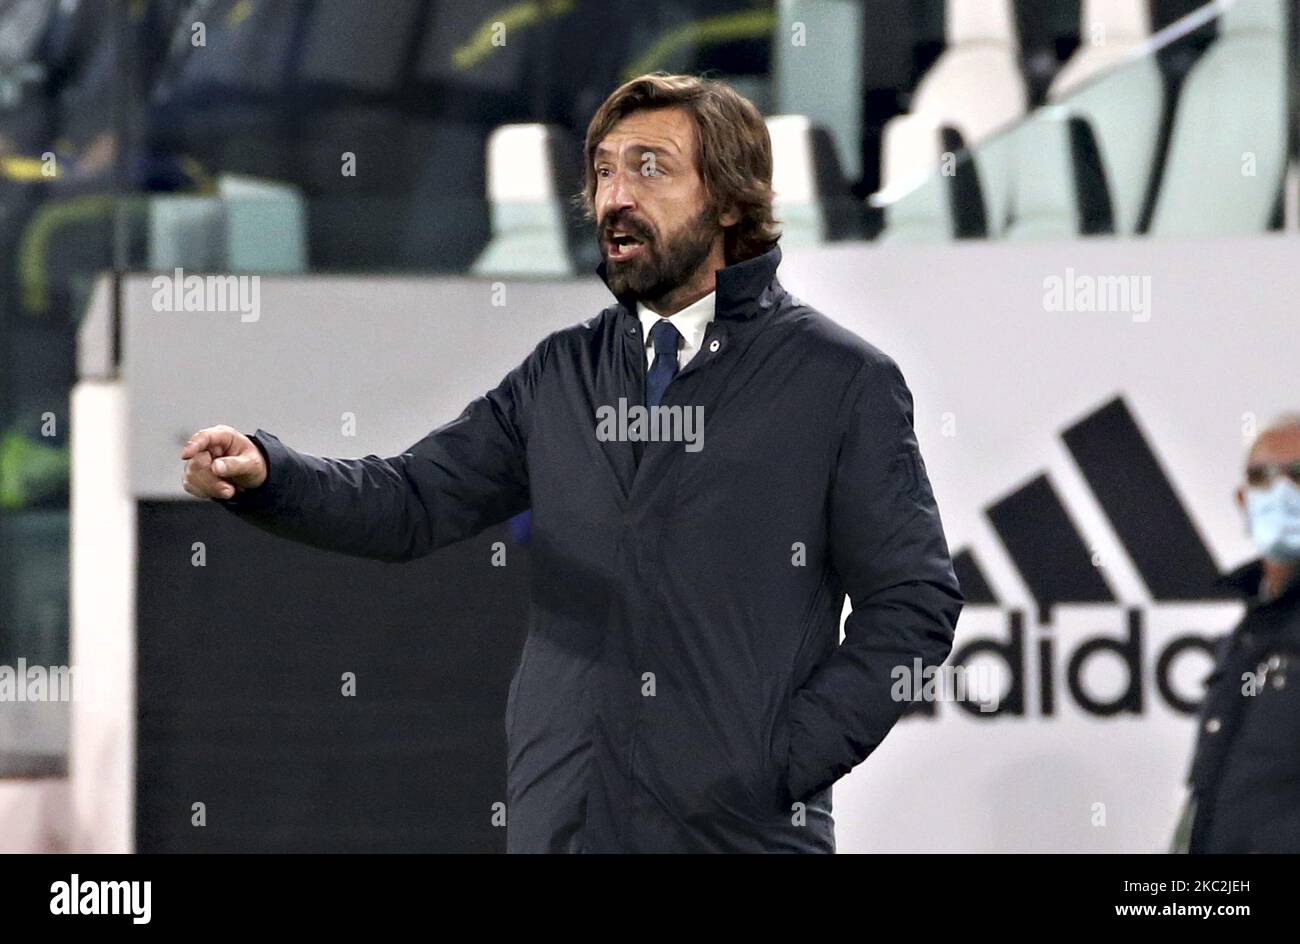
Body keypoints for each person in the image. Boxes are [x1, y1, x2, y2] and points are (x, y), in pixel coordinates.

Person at [179, 73, 963, 853]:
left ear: (729, 200)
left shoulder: (839, 382)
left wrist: (778, 761)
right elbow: (411, 501)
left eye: (650, 167)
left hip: (739, 838)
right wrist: (271, 474)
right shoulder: (562, 374)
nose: (617, 195)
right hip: (567, 827)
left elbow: (914, 602)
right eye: (604, 171)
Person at [1176, 413, 1300, 853]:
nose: (1281, 492)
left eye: (1298, 476)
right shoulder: (1247, 631)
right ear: (1243, 500)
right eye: (1262, 477)